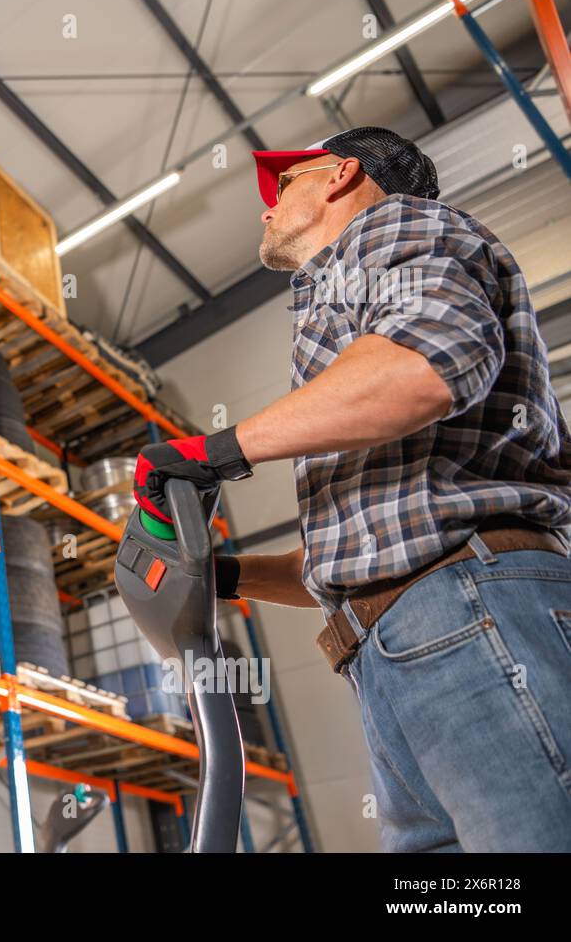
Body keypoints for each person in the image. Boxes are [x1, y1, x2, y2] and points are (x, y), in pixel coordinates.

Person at [132, 126, 571, 852]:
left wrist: (213, 453)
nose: (267, 209)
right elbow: (365, 550)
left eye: (283, 186)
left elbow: (424, 367)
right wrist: (220, 576)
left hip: (468, 609)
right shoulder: (345, 294)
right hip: (402, 642)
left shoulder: (397, 228)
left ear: (339, 177)